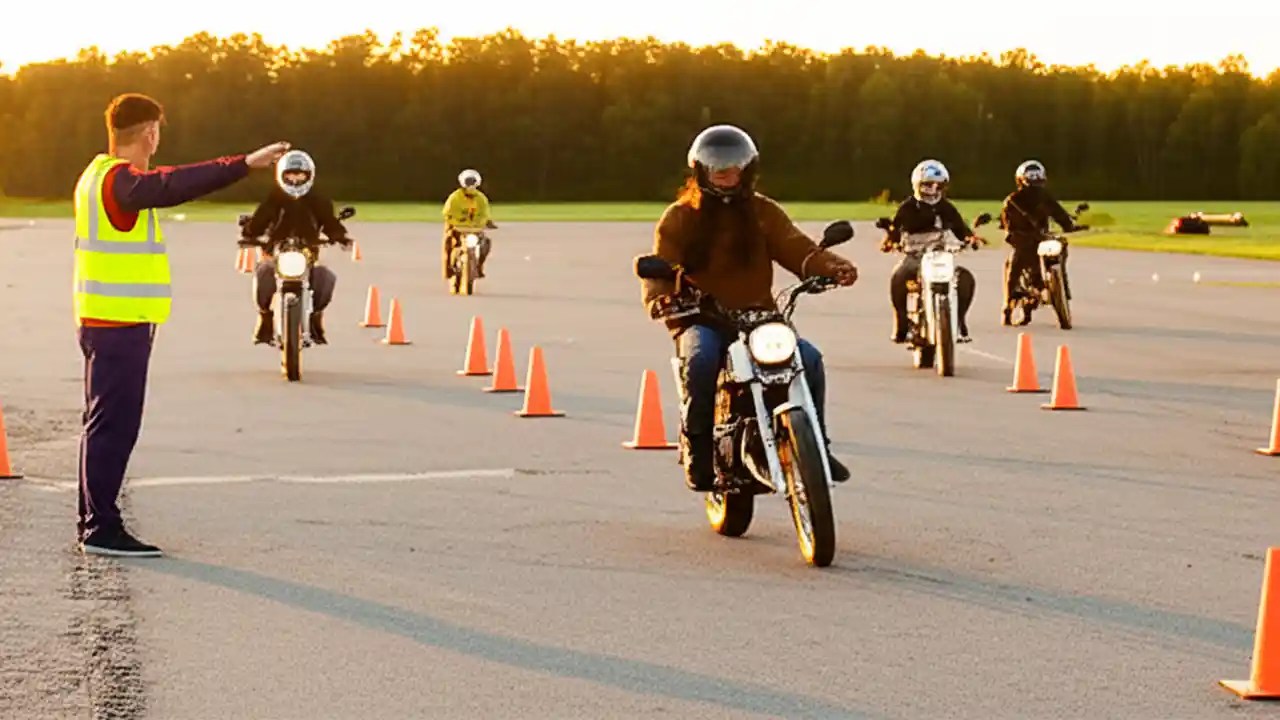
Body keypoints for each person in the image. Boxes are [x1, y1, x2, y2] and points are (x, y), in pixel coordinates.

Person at [73, 92, 289, 557]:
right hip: (119, 322)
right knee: (115, 426)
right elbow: (173, 185)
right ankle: (100, 529)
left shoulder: (93, 175)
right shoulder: (120, 183)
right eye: (159, 131)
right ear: (149, 133)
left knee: (100, 424)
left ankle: (91, 518)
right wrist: (244, 163)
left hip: (101, 317)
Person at [639, 124, 858, 492]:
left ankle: (817, 446)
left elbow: (797, 248)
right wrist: (661, 297)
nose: (728, 176)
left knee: (809, 357)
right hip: (701, 316)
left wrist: (834, 268)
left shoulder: (762, 212)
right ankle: (700, 452)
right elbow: (660, 265)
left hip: (758, 317)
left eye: (735, 168)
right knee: (702, 358)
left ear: (748, 169)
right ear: (702, 172)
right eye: (719, 169)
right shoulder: (680, 217)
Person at [240, 150, 352, 345]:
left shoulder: (318, 199)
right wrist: (249, 233)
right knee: (265, 272)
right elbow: (261, 218)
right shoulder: (275, 197)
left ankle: (316, 318)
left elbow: (329, 221)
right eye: (290, 174)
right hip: (277, 248)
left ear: (309, 175)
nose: (295, 178)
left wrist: (340, 236)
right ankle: (265, 319)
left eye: (300, 174)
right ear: (282, 175)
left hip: (307, 249)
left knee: (323, 276)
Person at [883, 159, 982, 343]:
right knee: (898, 277)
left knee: (965, 279)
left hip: (941, 256)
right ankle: (901, 324)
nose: (933, 190)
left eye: (938, 185)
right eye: (928, 185)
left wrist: (970, 238)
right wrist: (890, 241)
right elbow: (895, 229)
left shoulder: (946, 207)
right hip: (915, 256)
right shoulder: (907, 207)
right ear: (917, 185)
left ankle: (959, 322)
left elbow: (961, 228)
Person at [1000, 160, 1082, 326]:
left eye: (1036, 176)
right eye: (1032, 176)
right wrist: (1013, 234)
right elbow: (1008, 224)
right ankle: (1009, 302)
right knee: (1015, 265)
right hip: (1025, 240)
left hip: (1041, 239)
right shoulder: (1013, 200)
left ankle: (1061, 288)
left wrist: (1069, 226)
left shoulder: (1044, 198)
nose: (1034, 179)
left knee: (1060, 250)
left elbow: (1059, 214)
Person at [441, 169, 493, 280]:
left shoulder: (481, 198)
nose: (470, 184)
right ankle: (448, 268)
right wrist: (454, 222)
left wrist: (485, 222)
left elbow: (485, 213)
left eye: (472, 181)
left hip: (474, 229)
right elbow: (448, 213)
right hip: (458, 227)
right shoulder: (455, 197)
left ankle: (479, 265)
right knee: (448, 242)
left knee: (485, 244)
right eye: (468, 181)